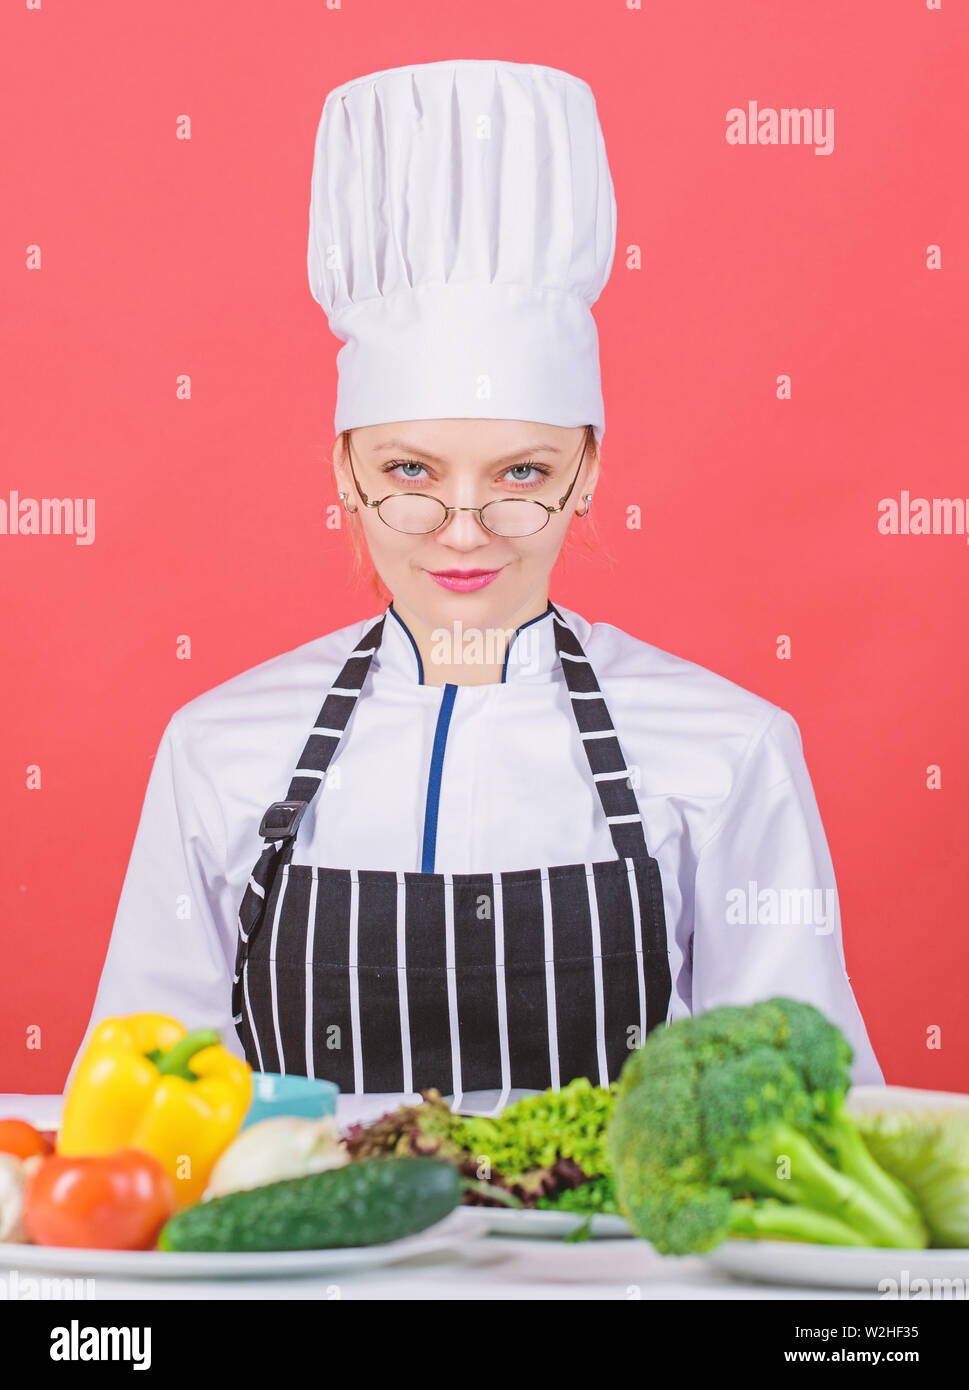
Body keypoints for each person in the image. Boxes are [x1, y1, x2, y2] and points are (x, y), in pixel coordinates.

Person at [67, 59, 884, 1108]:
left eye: (522, 476)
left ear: (589, 470)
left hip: (616, 1275)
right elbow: (136, 1112)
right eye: (410, 471)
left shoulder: (729, 748)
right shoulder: (218, 749)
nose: (465, 530)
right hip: (310, 1274)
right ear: (342, 471)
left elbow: (811, 1114)